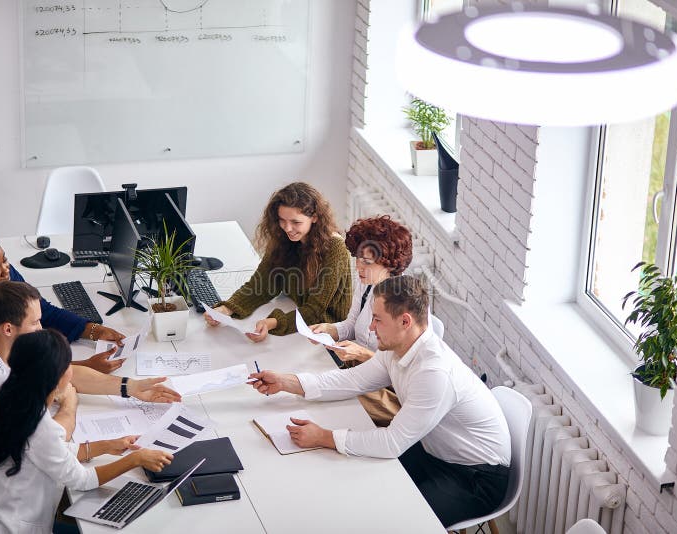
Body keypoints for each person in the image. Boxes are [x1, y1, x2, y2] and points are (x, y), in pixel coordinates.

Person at [249, 275, 511, 527]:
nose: (371, 328)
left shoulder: (434, 374)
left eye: (377, 320)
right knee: (355, 485)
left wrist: (323, 437)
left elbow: (391, 443)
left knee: (392, 522)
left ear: (405, 321)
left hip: (474, 477)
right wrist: (286, 382)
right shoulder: (398, 348)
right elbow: (351, 381)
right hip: (432, 451)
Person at [0, 280, 180, 501]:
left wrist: (130, 387)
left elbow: (62, 372)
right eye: (35, 322)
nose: (41, 328)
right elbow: (51, 437)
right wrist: (70, 403)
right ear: (8, 328)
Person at [0, 329, 173, 534]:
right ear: (55, 379)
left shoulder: (9, 399)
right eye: (68, 367)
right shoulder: (38, 425)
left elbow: (45, 451)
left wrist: (106, 446)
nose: (72, 372)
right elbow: (82, 480)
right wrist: (135, 459)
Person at [0, 227, 124, 373]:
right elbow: (16, 365)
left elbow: (44, 311)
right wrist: (86, 367)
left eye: (5, 260)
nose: (5, 270)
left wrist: (95, 330)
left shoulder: (7, 278)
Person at [204, 182, 352, 342]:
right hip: (296, 315)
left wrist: (273, 323)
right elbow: (261, 285)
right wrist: (227, 308)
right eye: (282, 220)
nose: (287, 228)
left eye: (296, 222)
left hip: (323, 332)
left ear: (314, 217)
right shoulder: (284, 239)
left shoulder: (334, 247)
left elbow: (315, 309)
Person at [309, 215, 419, 426]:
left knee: (326, 399)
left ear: (389, 264)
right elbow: (351, 325)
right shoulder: (367, 283)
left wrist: (362, 354)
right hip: (361, 373)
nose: (358, 266)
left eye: (367, 262)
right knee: (319, 387)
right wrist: (329, 329)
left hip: (390, 392)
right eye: (357, 258)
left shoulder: (405, 305)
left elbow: (402, 371)